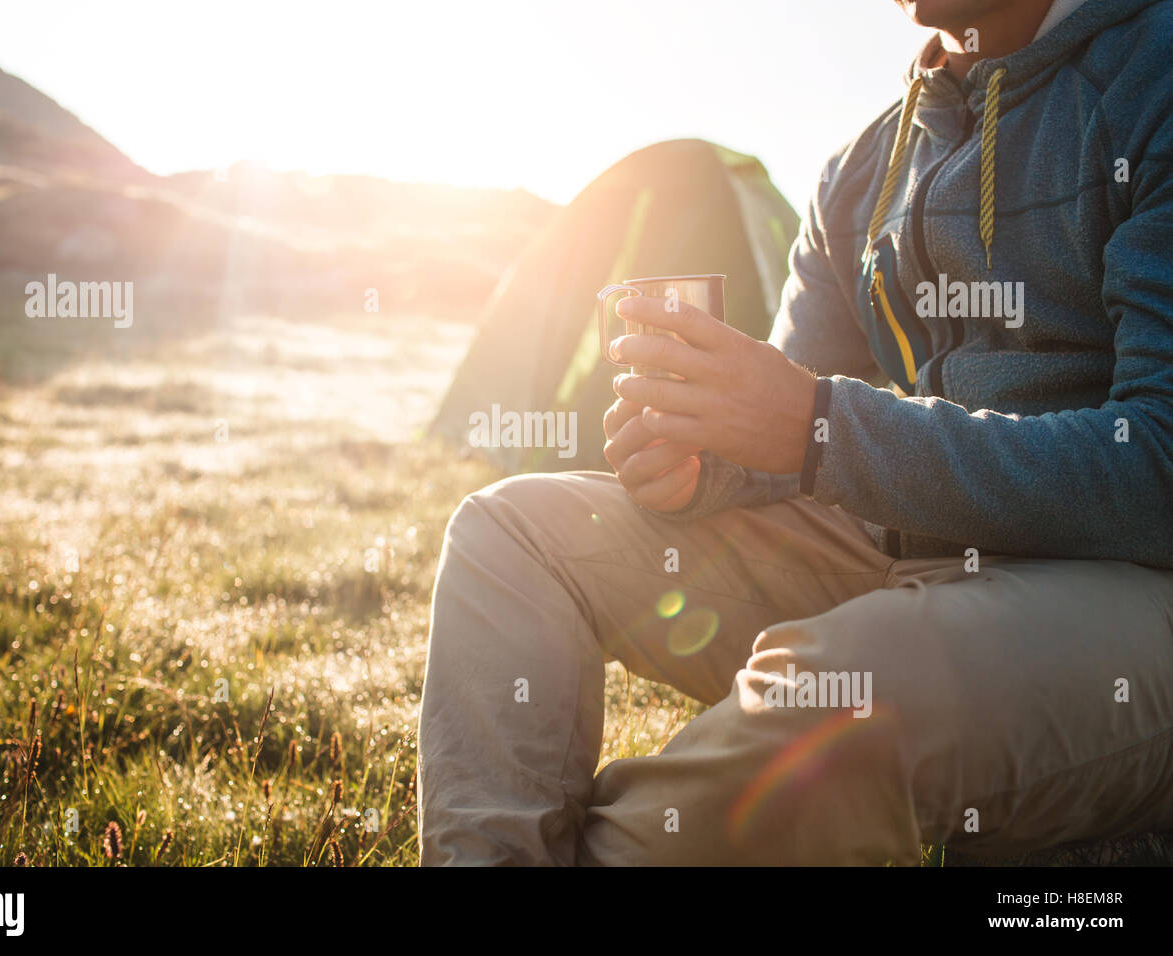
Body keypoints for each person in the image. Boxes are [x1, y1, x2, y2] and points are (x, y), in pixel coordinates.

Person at [417, 0, 1173, 865]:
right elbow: (785, 434)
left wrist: (820, 428)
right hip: (907, 560)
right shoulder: (860, 169)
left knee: (838, 693)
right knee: (507, 534)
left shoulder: (1153, 71)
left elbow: (1157, 467)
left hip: (1126, 589)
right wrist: (708, 466)